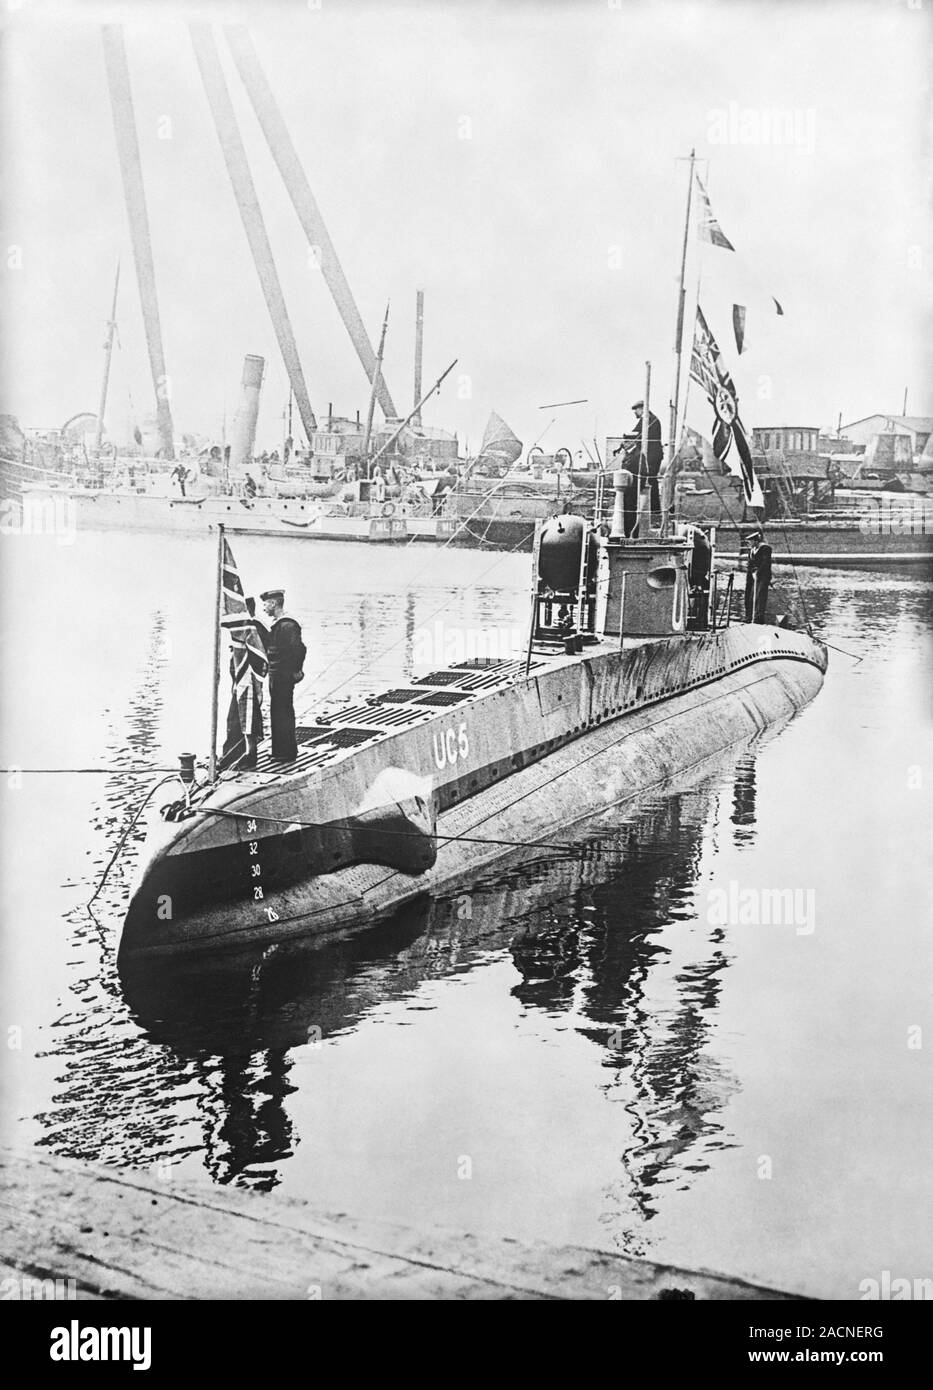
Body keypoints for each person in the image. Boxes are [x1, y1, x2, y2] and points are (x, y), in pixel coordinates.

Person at [222, 598, 268, 769]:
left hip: (249, 683)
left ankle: (249, 756)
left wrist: (259, 688)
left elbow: (261, 660)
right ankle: (233, 754)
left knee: (248, 722)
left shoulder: (254, 628)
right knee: (234, 721)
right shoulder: (240, 629)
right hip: (239, 683)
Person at [260, 588, 306, 762]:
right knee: (278, 712)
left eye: (265, 604)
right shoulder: (280, 623)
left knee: (283, 712)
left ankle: (285, 753)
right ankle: (280, 750)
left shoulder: (287, 625)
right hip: (277, 674)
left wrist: (296, 671)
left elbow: (299, 649)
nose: (264, 608)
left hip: (283, 675)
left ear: (273, 603)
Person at [612, 399, 663, 531]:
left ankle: (654, 511)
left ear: (642, 409)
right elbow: (633, 434)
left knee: (650, 481)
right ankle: (646, 508)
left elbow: (637, 435)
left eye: (636, 410)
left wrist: (625, 443)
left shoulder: (651, 420)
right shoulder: (645, 420)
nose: (635, 412)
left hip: (652, 456)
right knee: (647, 482)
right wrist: (622, 445)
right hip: (648, 456)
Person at [744, 530, 773, 623]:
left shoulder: (765, 548)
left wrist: (758, 572)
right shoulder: (752, 550)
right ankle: (749, 616)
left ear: (756, 541)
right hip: (753, 576)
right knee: (750, 595)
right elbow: (750, 563)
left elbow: (766, 563)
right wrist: (751, 572)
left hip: (763, 576)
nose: (748, 543)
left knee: (760, 596)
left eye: (750, 541)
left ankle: (758, 618)